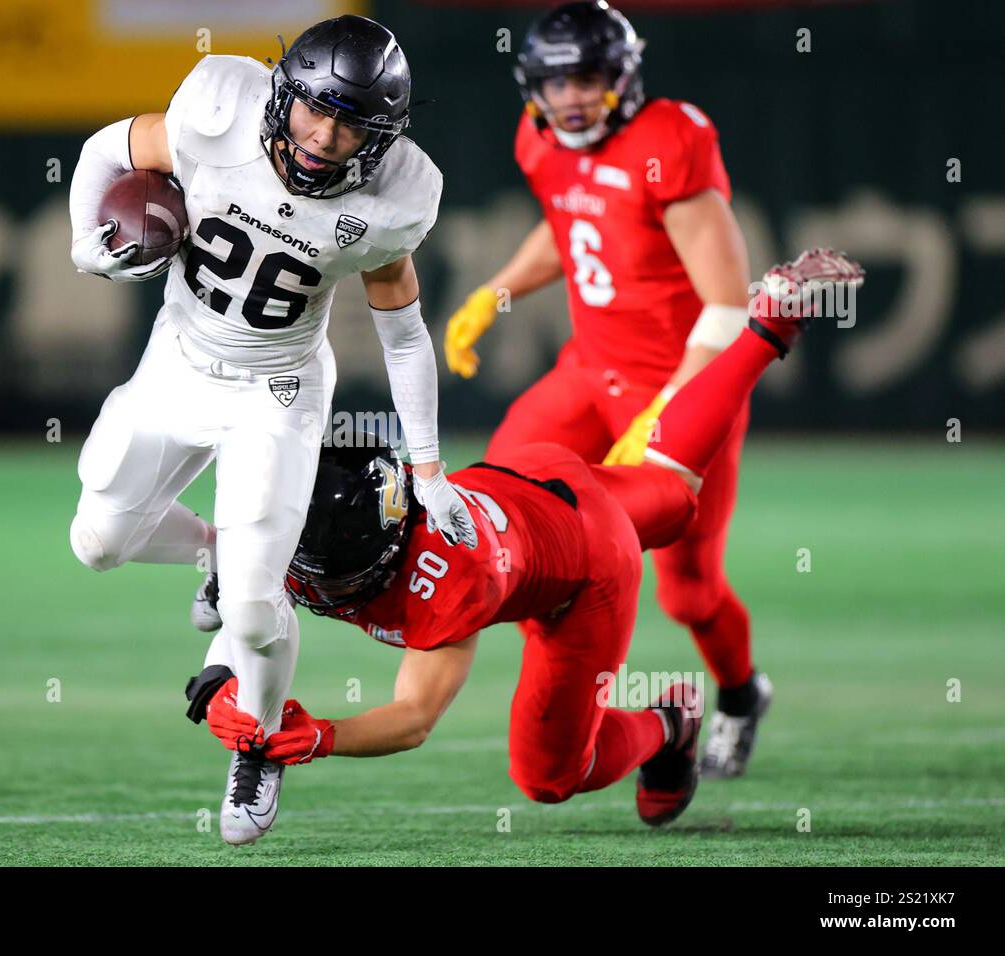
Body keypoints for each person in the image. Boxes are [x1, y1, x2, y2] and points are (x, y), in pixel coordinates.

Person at [196, 250, 862, 825]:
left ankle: (670, 723)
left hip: (585, 567)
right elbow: (245, 589)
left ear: (382, 560)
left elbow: (415, 715)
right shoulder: (351, 517)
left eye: (318, 570)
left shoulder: (452, 580)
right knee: (669, 490)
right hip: (532, 474)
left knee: (550, 777)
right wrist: (220, 675)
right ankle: (766, 327)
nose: (302, 580)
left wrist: (324, 736)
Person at [66, 15, 476, 845]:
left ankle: (256, 746)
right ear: (282, 93)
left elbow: (403, 331)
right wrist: (87, 246)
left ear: (382, 134)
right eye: (313, 110)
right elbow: (107, 148)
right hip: (180, 357)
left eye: (351, 122)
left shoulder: (395, 199)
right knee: (97, 541)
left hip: (278, 386)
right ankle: (215, 548)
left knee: (255, 610)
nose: (324, 137)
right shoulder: (215, 110)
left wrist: (428, 469)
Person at [442, 1, 768, 777]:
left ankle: (740, 693)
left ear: (619, 77)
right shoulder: (542, 140)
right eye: (556, 83)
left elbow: (729, 303)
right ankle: (597, 706)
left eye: (586, 79)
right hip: (590, 374)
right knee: (504, 524)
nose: (571, 99)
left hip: (685, 387)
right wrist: (497, 292)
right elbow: (570, 221)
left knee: (687, 593)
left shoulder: (670, 140)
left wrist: (668, 408)